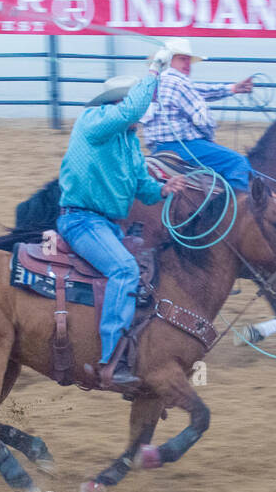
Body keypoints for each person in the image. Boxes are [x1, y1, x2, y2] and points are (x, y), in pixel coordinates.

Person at [56, 68, 188, 386]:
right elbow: (131, 109)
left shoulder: (129, 141)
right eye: (137, 107)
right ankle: (112, 359)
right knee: (125, 270)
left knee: (151, 268)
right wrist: (153, 74)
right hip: (82, 220)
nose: (141, 117)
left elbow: (142, 184)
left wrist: (163, 189)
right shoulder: (94, 121)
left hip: (106, 225)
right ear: (122, 103)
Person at [139, 38, 257, 191]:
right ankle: (238, 210)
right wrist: (210, 138)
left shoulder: (156, 82)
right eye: (182, 59)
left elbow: (199, 90)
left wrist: (233, 88)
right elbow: (204, 120)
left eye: (189, 60)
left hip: (157, 149)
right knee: (237, 162)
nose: (187, 64)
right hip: (182, 147)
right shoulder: (179, 82)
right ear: (169, 61)